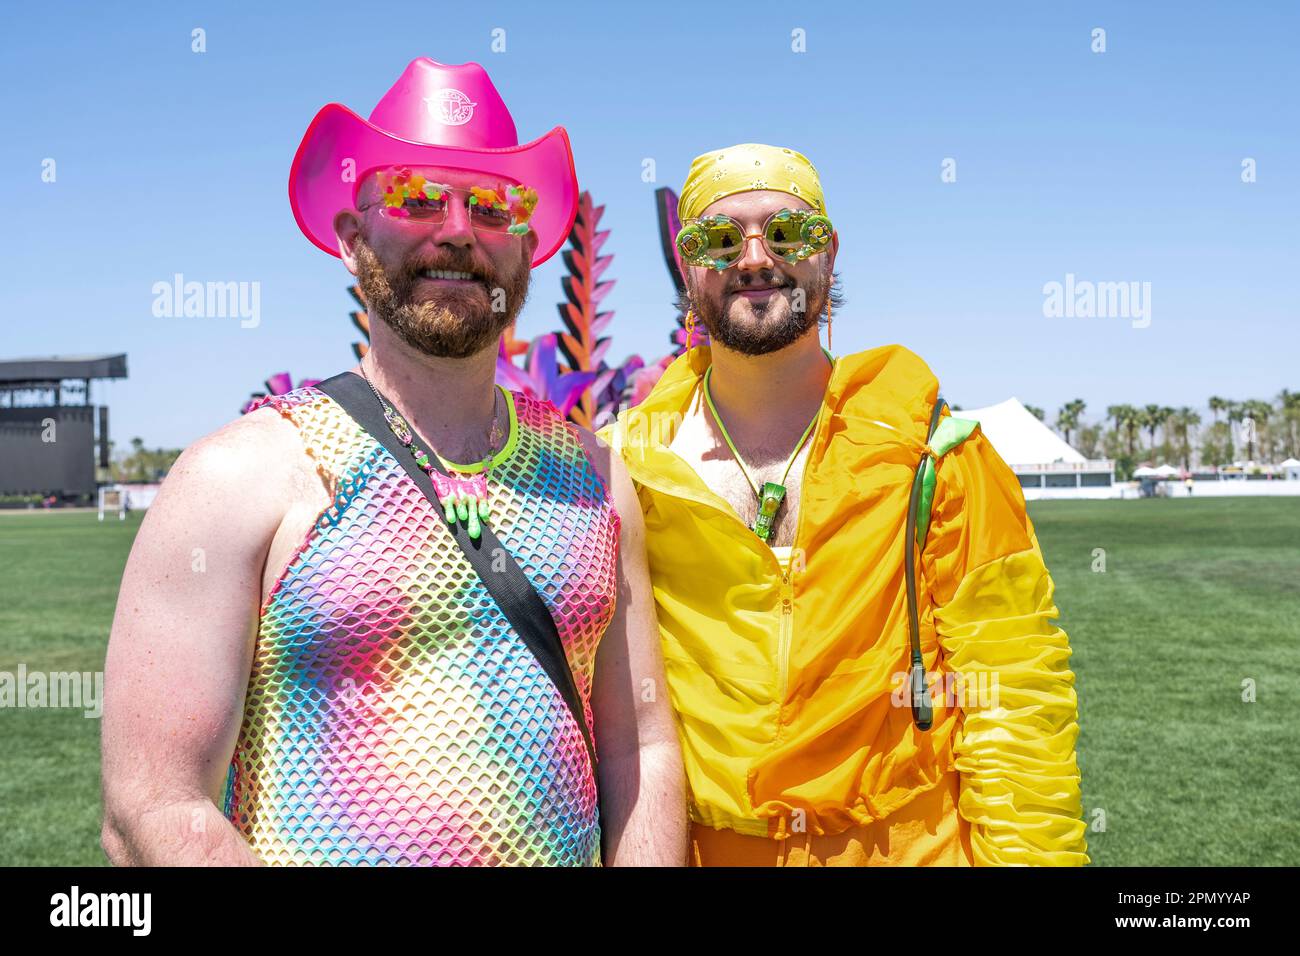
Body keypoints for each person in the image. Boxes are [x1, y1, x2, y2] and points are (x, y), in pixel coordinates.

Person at [101, 58, 685, 867]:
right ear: (350, 240)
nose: (456, 230)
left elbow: (641, 747)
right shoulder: (240, 479)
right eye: (416, 197)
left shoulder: (593, 476)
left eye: (491, 205)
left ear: (526, 247)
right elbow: (153, 807)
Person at [599, 143, 1089, 866]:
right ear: (685, 261)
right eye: (719, 238)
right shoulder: (622, 469)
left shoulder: (938, 449)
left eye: (791, 233)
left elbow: (1013, 698)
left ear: (830, 255)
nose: (756, 258)